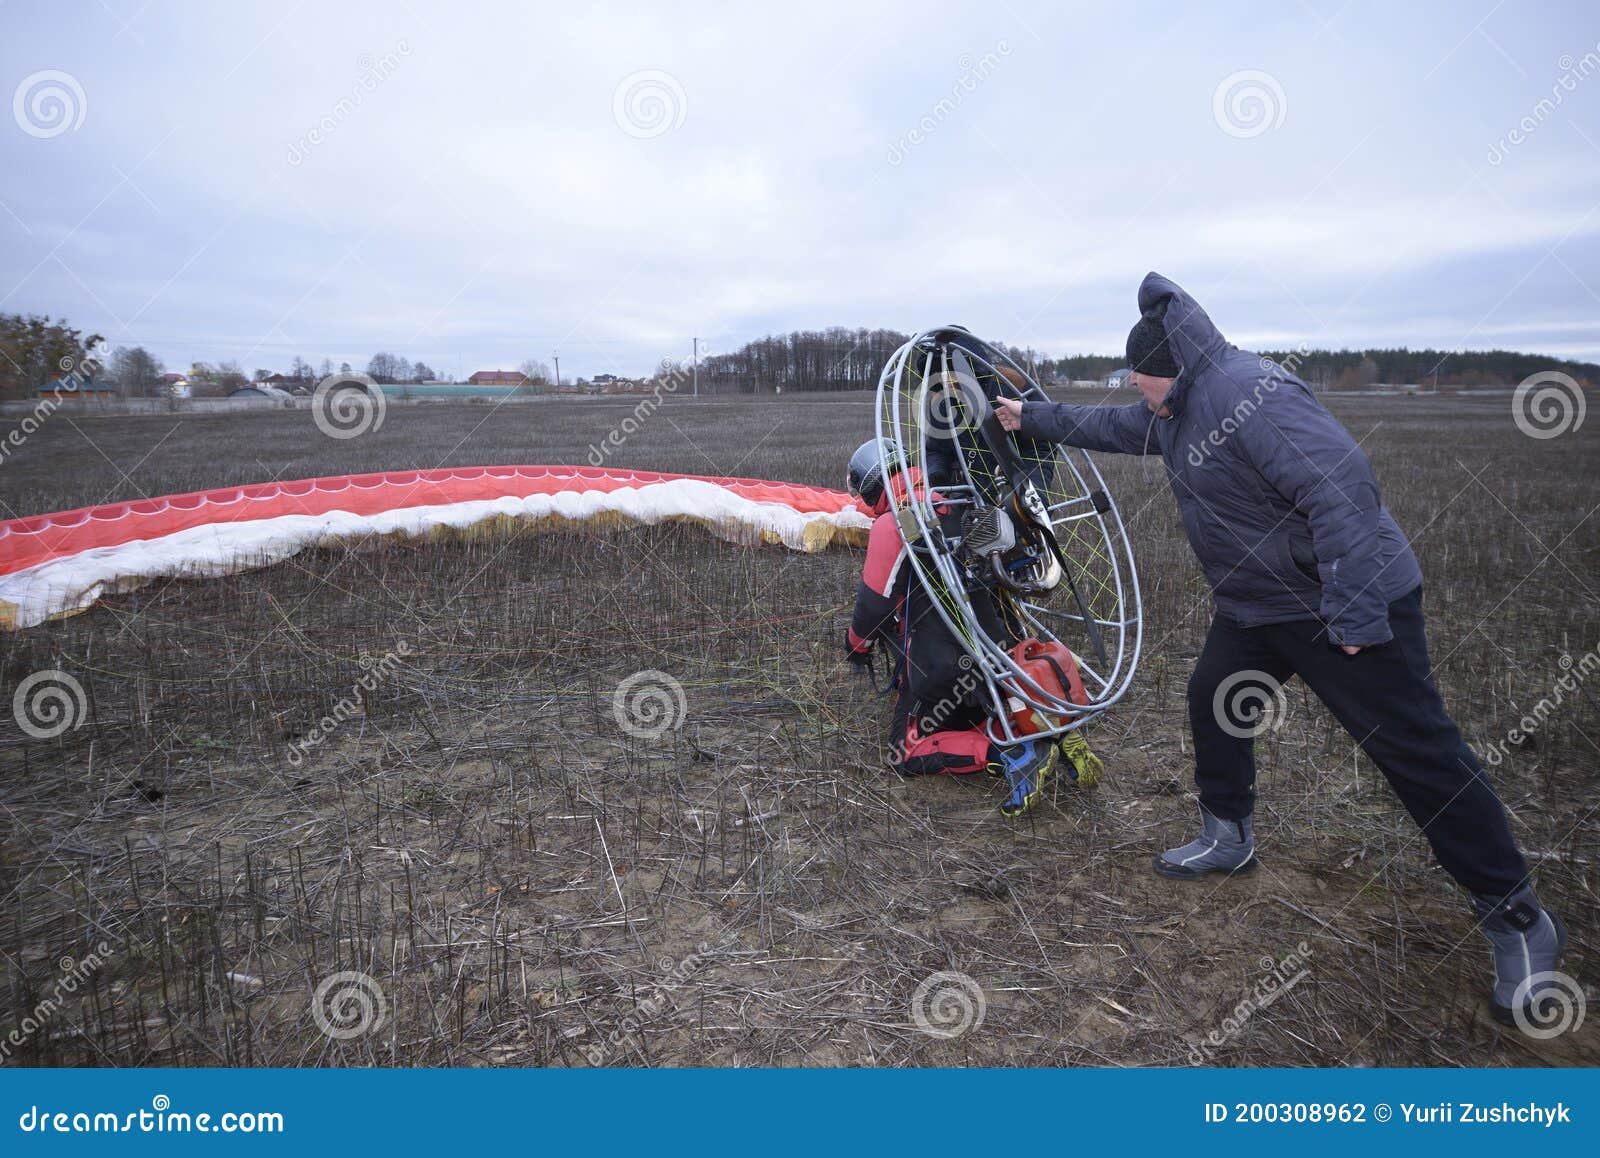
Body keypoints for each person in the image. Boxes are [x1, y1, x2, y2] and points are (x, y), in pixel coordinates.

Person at [993, 272, 1564, 1026]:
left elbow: (1343, 490)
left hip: (1346, 600)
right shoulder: (1175, 406)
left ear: (1175, 371)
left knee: (1419, 756)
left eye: (1146, 385)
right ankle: (1227, 835)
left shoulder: (1250, 395)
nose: (1142, 398)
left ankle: (1517, 918)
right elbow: (1108, 427)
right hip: (1258, 606)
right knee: (1215, 698)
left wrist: (1356, 619)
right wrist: (1027, 416)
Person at [842, 437, 1103, 816]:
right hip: (997, 655)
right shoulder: (962, 500)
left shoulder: (895, 522)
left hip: (942, 671)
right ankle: (1051, 731)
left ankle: (1012, 752)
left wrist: (855, 648)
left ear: (871, 484)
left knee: (906, 750)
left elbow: (872, 610)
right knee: (986, 705)